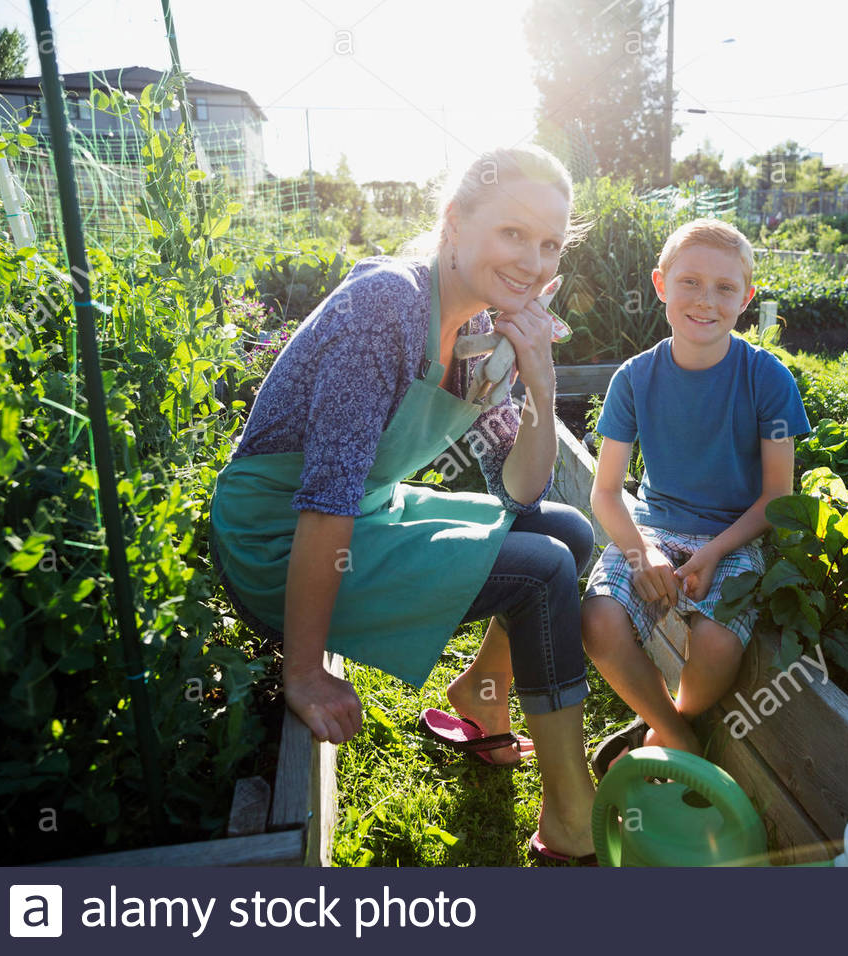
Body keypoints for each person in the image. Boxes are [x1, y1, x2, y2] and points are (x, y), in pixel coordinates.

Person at [209, 145, 596, 862]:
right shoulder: (384, 310)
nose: (535, 262)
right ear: (454, 223)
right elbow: (323, 499)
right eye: (513, 233)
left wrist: (541, 385)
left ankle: (482, 695)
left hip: (364, 513)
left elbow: (520, 490)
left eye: (548, 244)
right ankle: (575, 819)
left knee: (567, 533)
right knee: (543, 572)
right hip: (278, 542)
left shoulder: (483, 334)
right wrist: (303, 671)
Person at [581, 218, 811, 774]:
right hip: (653, 527)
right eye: (689, 282)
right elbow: (607, 493)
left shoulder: (768, 378)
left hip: (734, 536)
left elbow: (776, 497)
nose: (706, 300)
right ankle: (681, 738)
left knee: (716, 647)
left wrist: (712, 554)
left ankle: (664, 724)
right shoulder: (634, 379)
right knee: (599, 622)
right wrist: (642, 553)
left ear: (747, 298)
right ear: (660, 285)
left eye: (726, 288)